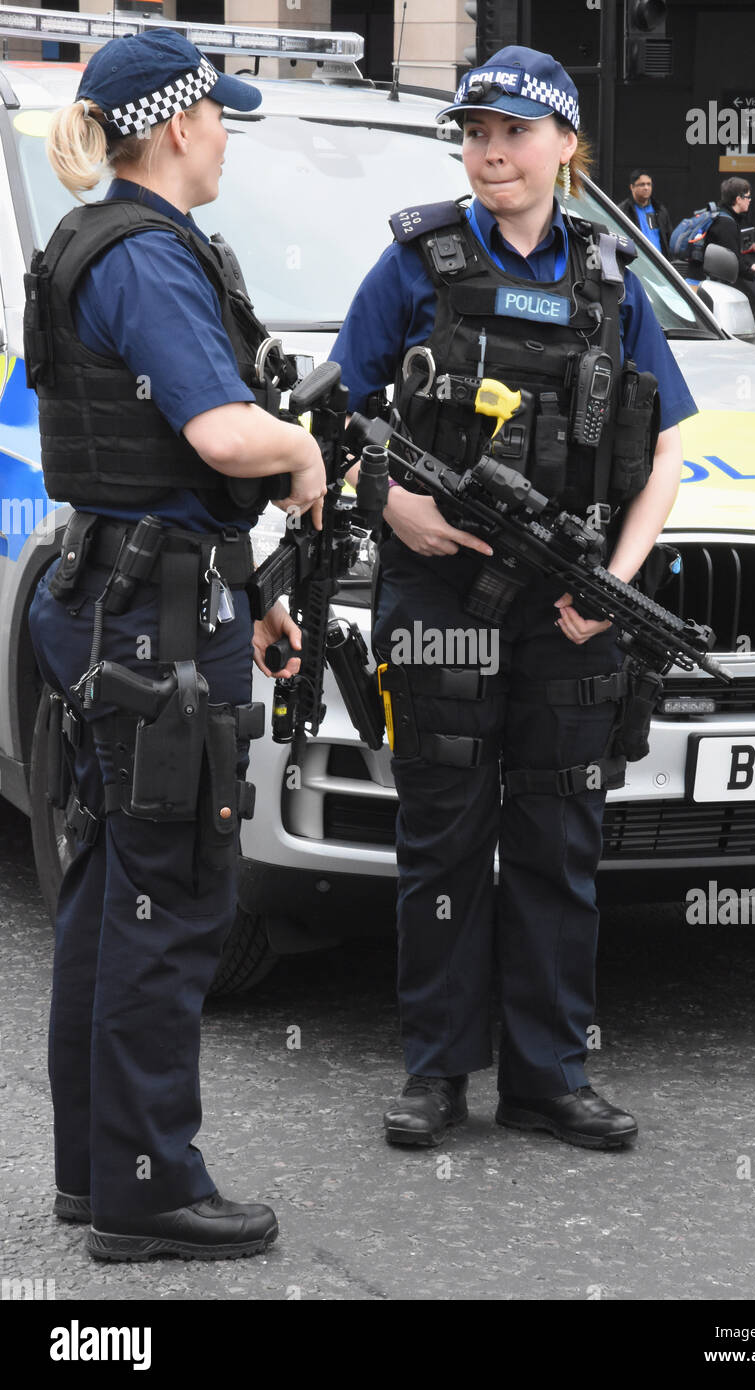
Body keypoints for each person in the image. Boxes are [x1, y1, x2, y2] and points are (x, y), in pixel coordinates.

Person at [330, 46, 697, 1151]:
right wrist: (389, 502)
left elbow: (668, 449)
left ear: (563, 146)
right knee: (442, 838)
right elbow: (341, 419)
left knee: (557, 840)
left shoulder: (609, 276)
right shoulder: (416, 263)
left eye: (513, 132)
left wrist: (617, 591)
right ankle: (437, 1073)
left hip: (569, 608)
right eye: (475, 133)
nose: (490, 151)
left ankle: (548, 1074)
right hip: (438, 586)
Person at [26, 29, 326, 1260]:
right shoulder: (149, 257)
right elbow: (215, 435)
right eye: (218, 115)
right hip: (149, 628)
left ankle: (101, 1173)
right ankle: (150, 1191)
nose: (225, 134)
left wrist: (248, 589)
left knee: (108, 893)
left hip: (122, 595)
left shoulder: (98, 242)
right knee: (170, 902)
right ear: (174, 124)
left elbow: (156, 474)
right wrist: (303, 456)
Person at [703, 177, 755, 328]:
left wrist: (751, 265)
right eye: (748, 197)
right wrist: (754, 274)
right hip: (709, 282)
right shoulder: (727, 223)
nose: (750, 200)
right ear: (738, 199)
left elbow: (734, 255)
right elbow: (734, 262)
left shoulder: (723, 217)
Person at [617, 168, 673, 256]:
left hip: (659, 263)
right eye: (642, 185)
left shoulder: (660, 210)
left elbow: (668, 239)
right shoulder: (623, 211)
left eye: (649, 184)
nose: (646, 188)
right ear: (632, 187)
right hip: (636, 262)